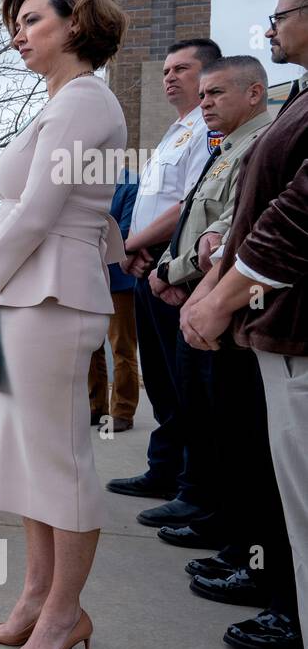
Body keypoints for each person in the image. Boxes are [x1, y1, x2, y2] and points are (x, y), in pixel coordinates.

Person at [0, 0, 127, 649]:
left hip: (54, 293)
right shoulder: (59, 104)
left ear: (76, 23)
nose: (19, 35)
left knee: (59, 460)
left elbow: (41, 209)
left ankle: (64, 614)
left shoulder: (87, 102)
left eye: (31, 20)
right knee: (27, 457)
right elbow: (13, 212)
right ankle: (35, 598)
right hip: (29, 292)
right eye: (14, 25)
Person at [181, 0, 308, 649]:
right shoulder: (294, 110)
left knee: (279, 481)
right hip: (261, 315)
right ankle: (263, 573)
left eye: (281, 13)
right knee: (252, 465)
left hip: (283, 319)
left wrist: (221, 290)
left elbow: (294, 216)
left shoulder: (283, 118)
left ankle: (283, 601)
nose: (270, 26)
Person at [148, 57, 274, 558]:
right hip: (193, 291)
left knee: (234, 427)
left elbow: (227, 228)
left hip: (223, 299)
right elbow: (202, 220)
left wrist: (169, 273)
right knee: (203, 413)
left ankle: (237, 538)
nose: (205, 103)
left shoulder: (260, 143)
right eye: (203, 96)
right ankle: (214, 514)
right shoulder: (227, 145)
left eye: (216, 93)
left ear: (255, 93)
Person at [109, 39, 223, 520]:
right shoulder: (175, 131)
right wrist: (135, 252)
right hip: (150, 267)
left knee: (186, 385)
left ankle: (192, 487)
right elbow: (151, 204)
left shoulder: (208, 132)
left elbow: (190, 206)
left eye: (183, 69)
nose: (170, 77)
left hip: (180, 276)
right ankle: (164, 469)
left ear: (210, 75)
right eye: (167, 69)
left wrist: (135, 248)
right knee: (158, 376)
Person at [88, 171, 139, 432]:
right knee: (91, 344)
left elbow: (126, 230)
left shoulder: (130, 183)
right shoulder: (85, 182)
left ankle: (123, 410)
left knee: (122, 346)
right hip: (89, 276)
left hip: (119, 278)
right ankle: (96, 406)